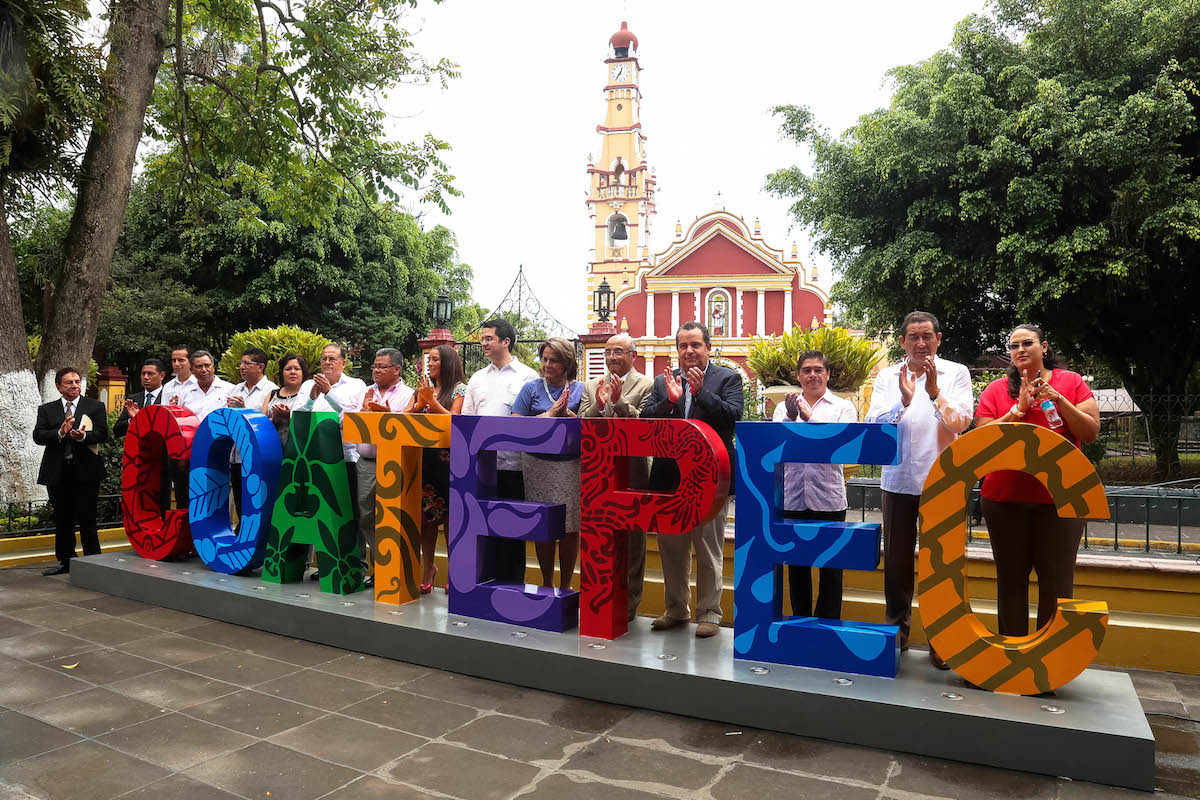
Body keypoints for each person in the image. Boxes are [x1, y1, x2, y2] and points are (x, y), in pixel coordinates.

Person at [974, 324, 1100, 637]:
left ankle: (1049, 658)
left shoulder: (1071, 382)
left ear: (1043, 347)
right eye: (1013, 345)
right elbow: (980, 442)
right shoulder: (995, 390)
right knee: (1010, 582)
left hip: (1062, 500)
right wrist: (1017, 411)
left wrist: (1059, 400)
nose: (1020, 350)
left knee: (1057, 584)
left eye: (1027, 343)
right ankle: (1013, 654)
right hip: (1004, 500)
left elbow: (1090, 432)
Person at [865, 311, 973, 669]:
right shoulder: (887, 376)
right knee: (897, 562)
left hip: (943, 481)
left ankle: (942, 639)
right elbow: (873, 424)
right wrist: (904, 401)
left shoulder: (956, 373)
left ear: (938, 339)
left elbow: (961, 422)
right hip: (898, 479)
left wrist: (935, 393)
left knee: (941, 564)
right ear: (902, 342)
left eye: (927, 336)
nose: (921, 343)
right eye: (914, 336)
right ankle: (896, 633)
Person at [642, 321, 744, 638]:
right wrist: (671, 402)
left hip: (711, 478)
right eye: (683, 345)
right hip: (669, 478)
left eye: (695, 345)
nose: (689, 351)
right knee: (671, 547)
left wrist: (701, 394)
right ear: (677, 349)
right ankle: (676, 609)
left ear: (708, 348)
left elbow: (733, 416)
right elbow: (646, 420)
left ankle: (709, 613)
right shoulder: (663, 382)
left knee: (709, 547)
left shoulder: (727, 378)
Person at [773, 350, 858, 620]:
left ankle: (827, 627)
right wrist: (791, 417)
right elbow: (776, 447)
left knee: (831, 570)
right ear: (798, 376)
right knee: (797, 569)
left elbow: (840, 446)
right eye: (807, 370)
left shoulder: (843, 407)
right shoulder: (783, 408)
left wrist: (809, 418)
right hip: (793, 498)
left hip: (829, 500)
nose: (813, 375)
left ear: (828, 374)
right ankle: (801, 623)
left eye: (818, 370)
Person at [578, 332, 655, 620]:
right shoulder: (591, 385)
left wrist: (619, 401)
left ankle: (630, 602)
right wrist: (599, 406)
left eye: (619, 351)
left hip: (632, 472)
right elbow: (582, 422)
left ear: (633, 355)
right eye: (608, 352)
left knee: (633, 539)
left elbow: (644, 423)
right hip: (597, 472)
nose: (612, 357)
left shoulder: (647, 384)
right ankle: (600, 597)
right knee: (598, 536)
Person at [462, 318, 538, 583]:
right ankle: (483, 584)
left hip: (514, 467)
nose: (483, 343)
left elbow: (534, 422)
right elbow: (467, 420)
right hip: (481, 469)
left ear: (506, 342)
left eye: (488, 338)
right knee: (481, 528)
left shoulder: (528, 377)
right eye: (482, 339)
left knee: (513, 531)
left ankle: (513, 587)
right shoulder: (477, 378)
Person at [511, 337, 585, 590]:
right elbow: (514, 424)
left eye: (554, 360)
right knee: (542, 524)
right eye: (544, 359)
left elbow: (590, 425)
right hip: (537, 465)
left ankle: (565, 585)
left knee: (570, 526)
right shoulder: (530, 389)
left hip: (571, 466)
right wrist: (549, 415)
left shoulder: (581, 389)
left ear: (567, 363)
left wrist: (568, 414)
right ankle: (547, 583)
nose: (547, 365)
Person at [32, 368, 109, 575]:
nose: (75, 385)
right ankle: (66, 561)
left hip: (86, 472)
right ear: (59, 387)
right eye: (69, 382)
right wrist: (60, 432)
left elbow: (102, 433)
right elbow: (38, 436)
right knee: (63, 519)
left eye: (77, 381)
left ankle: (93, 561)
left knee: (87, 518)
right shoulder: (47, 409)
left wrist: (83, 437)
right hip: (58, 472)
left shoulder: (95, 406)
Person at [403, 344, 467, 593]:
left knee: (452, 521)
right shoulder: (424, 388)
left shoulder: (460, 389)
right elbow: (405, 415)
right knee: (426, 520)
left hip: (451, 462)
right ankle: (428, 568)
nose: (429, 364)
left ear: (448, 363)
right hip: (425, 460)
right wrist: (421, 403)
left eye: (435, 360)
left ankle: (454, 572)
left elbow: (455, 419)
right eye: (428, 360)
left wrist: (432, 402)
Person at [354, 348, 414, 585]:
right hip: (366, 463)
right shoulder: (365, 392)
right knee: (366, 515)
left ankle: (390, 572)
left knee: (391, 517)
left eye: (382, 367)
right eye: (375, 367)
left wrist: (388, 416)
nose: (376, 371)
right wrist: (364, 412)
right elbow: (346, 422)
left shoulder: (409, 395)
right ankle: (380, 566)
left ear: (396, 370)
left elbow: (408, 427)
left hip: (395, 463)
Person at [226, 348, 278, 517]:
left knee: (256, 502)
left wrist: (244, 410)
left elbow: (268, 424)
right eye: (241, 363)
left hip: (257, 456)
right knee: (239, 501)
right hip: (236, 455)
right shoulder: (235, 390)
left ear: (260, 367)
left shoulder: (271, 390)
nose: (242, 367)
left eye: (246, 363)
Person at [162, 345, 196, 510]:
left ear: (190, 362)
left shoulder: (198, 384)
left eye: (181, 360)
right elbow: (164, 416)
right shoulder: (168, 387)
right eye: (173, 360)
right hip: (175, 445)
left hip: (195, 442)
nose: (176, 364)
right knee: (180, 491)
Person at [261, 353, 310, 448]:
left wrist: (289, 416)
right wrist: (274, 420)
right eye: (288, 369)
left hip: (299, 448)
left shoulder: (308, 395)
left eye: (297, 369)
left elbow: (310, 421)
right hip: (272, 447)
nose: (292, 372)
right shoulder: (272, 394)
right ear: (282, 372)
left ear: (303, 373)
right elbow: (261, 421)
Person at [114, 358, 168, 438]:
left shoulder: (167, 398)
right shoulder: (133, 399)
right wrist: (133, 420)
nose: (146, 377)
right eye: (143, 374)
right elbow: (117, 430)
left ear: (162, 376)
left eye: (150, 374)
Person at [177, 350, 234, 423]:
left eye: (207, 365)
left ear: (213, 367)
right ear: (191, 370)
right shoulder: (184, 393)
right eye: (199, 366)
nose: (204, 370)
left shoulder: (230, 389)